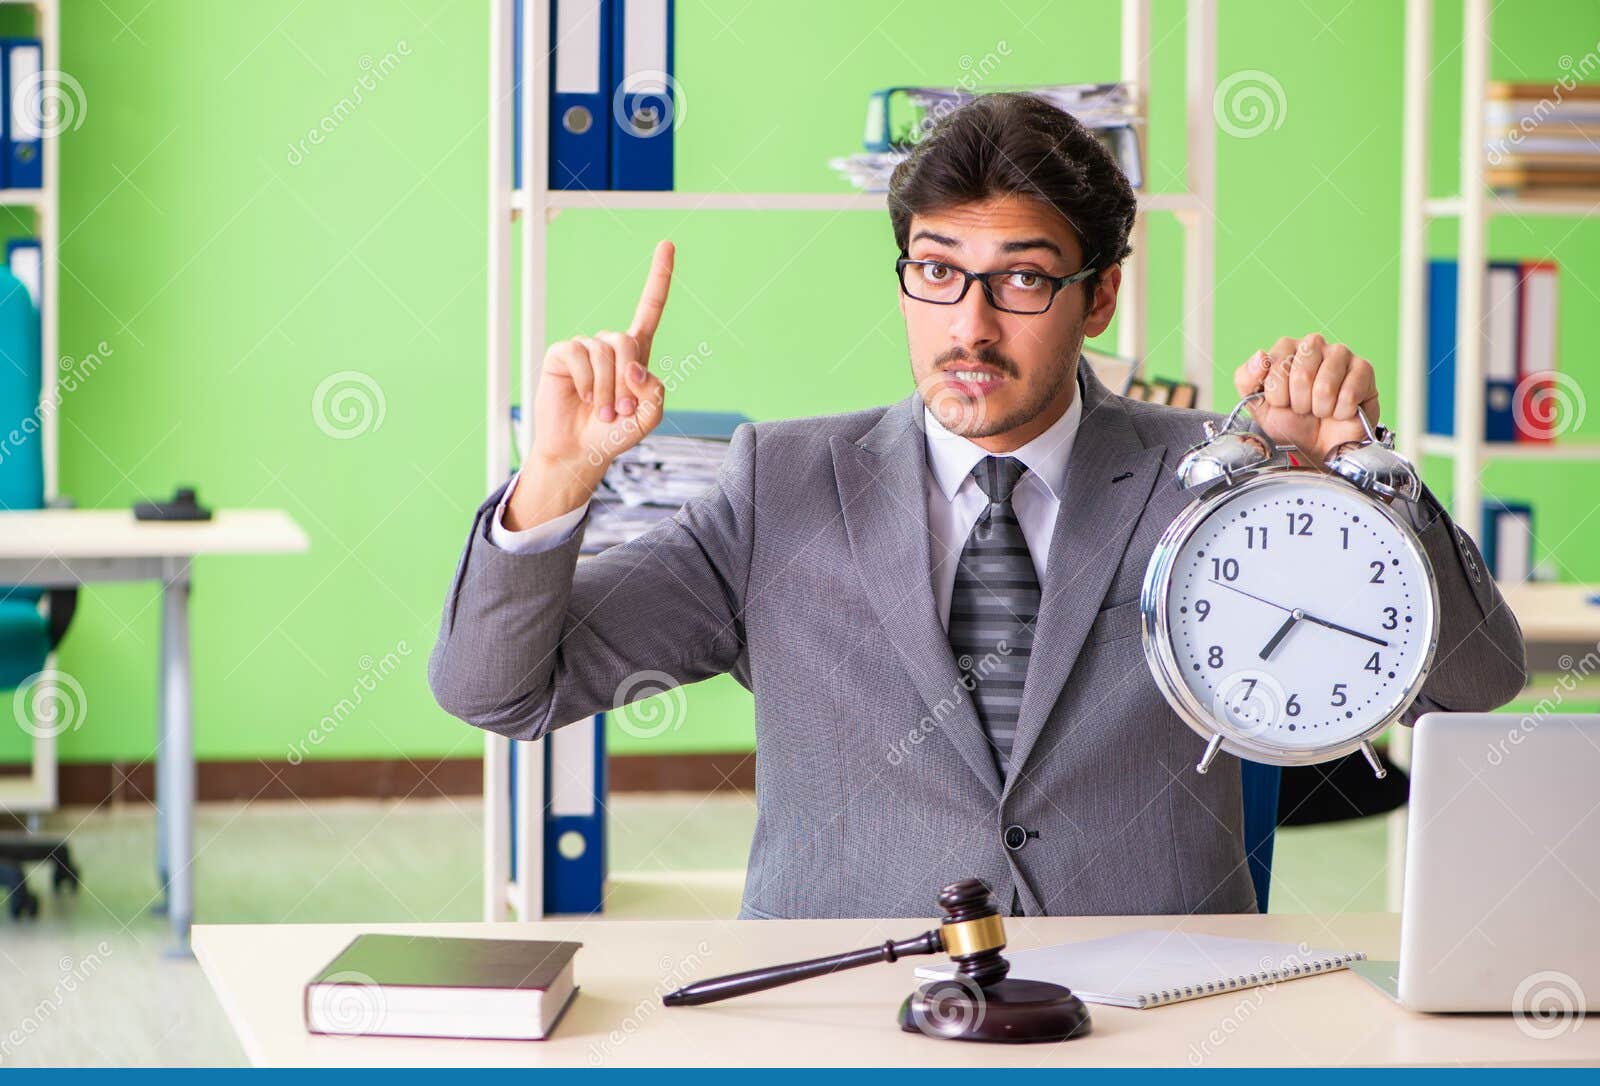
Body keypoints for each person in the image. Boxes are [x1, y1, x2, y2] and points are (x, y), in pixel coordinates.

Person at [430, 93, 1525, 919]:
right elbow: (496, 692)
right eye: (937, 271)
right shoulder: (781, 484)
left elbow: (1472, 688)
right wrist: (557, 476)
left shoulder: (1225, 481)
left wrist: (1360, 476)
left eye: (1024, 278)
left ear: (1100, 295)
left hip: (1151, 1016)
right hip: (849, 1015)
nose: (970, 325)